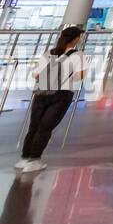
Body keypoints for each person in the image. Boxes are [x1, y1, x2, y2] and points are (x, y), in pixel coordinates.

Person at [16, 25, 85, 174]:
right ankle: (35, 161)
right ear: (75, 39)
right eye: (79, 36)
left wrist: (49, 77)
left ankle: (24, 159)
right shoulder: (78, 55)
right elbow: (80, 76)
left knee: (34, 126)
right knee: (45, 128)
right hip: (62, 94)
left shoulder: (49, 53)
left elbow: (35, 74)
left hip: (41, 93)